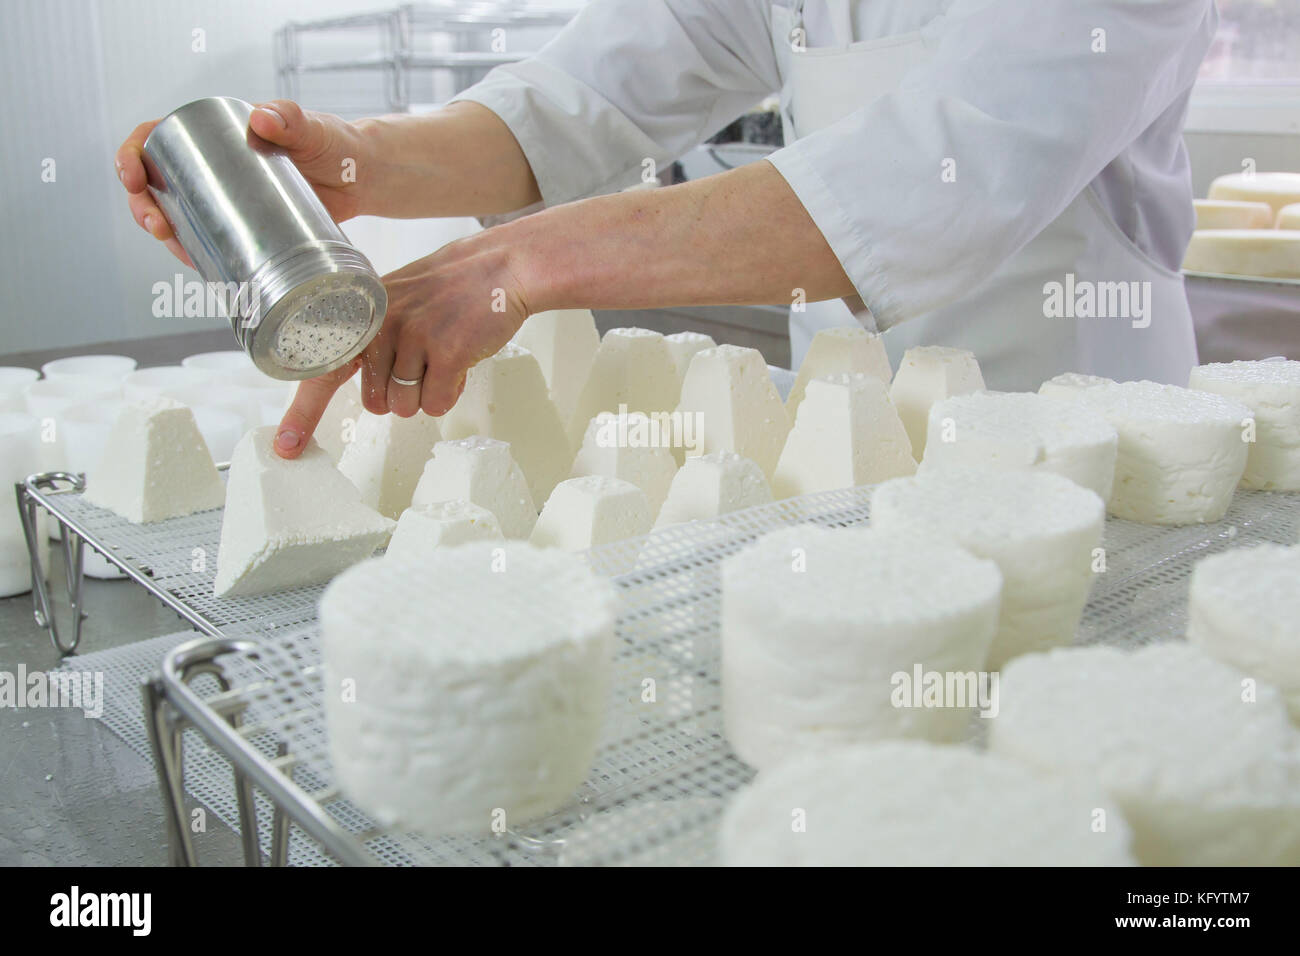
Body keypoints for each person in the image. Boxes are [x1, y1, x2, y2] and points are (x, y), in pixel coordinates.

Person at [116, 0, 1218, 460]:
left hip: (1077, 440)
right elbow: (585, 95)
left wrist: (509, 266)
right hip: (855, 447)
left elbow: (928, 179)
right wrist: (353, 157)